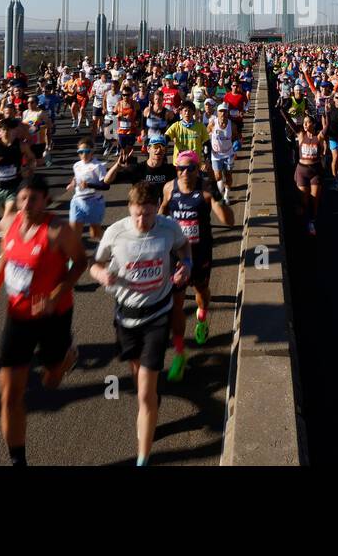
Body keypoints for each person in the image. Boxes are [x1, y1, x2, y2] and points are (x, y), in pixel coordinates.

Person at [0, 175, 85, 466]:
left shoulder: (57, 230)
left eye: (33, 199)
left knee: (51, 381)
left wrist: (55, 295)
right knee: (10, 395)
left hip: (54, 316)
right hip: (18, 318)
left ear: (46, 200)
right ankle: (18, 461)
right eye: (23, 198)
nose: (27, 204)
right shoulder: (9, 223)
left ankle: (66, 357)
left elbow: (80, 263)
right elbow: (7, 257)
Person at [90, 181, 192, 465]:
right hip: (126, 318)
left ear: (156, 209)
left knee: (145, 393)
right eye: (137, 214)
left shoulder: (168, 228)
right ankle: (150, 404)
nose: (142, 220)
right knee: (139, 383)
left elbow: (185, 249)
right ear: (129, 209)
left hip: (158, 315)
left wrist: (187, 266)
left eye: (147, 214)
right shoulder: (116, 232)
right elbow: (94, 264)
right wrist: (101, 276)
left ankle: (143, 457)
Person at [161, 151, 234, 381]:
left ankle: (202, 317)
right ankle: (180, 354)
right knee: (176, 305)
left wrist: (217, 197)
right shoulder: (168, 188)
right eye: (180, 168)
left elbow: (229, 221)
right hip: (177, 257)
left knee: (201, 292)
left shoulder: (204, 190)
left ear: (197, 168)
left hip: (201, 253)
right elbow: (162, 210)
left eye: (190, 168)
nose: (184, 173)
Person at [66, 138, 110, 241]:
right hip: (77, 201)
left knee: (95, 234)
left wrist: (89, 185)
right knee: (74, 234)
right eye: (80, 152)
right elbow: (76, 178)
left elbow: (106, 186)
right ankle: (74, 257)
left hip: (94, 203)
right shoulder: (76, 165)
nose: (84, 155)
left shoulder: (98, 166)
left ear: (92, 151)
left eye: (87, 152)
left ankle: (110, 245)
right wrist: (72, 183)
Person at [292, 113, 325, 236]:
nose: (305, 124)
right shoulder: (301, 135)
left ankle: (312, 221)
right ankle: (302, 217)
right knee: (304, 200)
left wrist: (326, 112)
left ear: (313, 124)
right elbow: (292, 124)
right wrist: (281, 110)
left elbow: (326, 128)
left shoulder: (319, 137)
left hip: (315, 171)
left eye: (308, 122)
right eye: (304, 122)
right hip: (302, 171)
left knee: (314, 199)